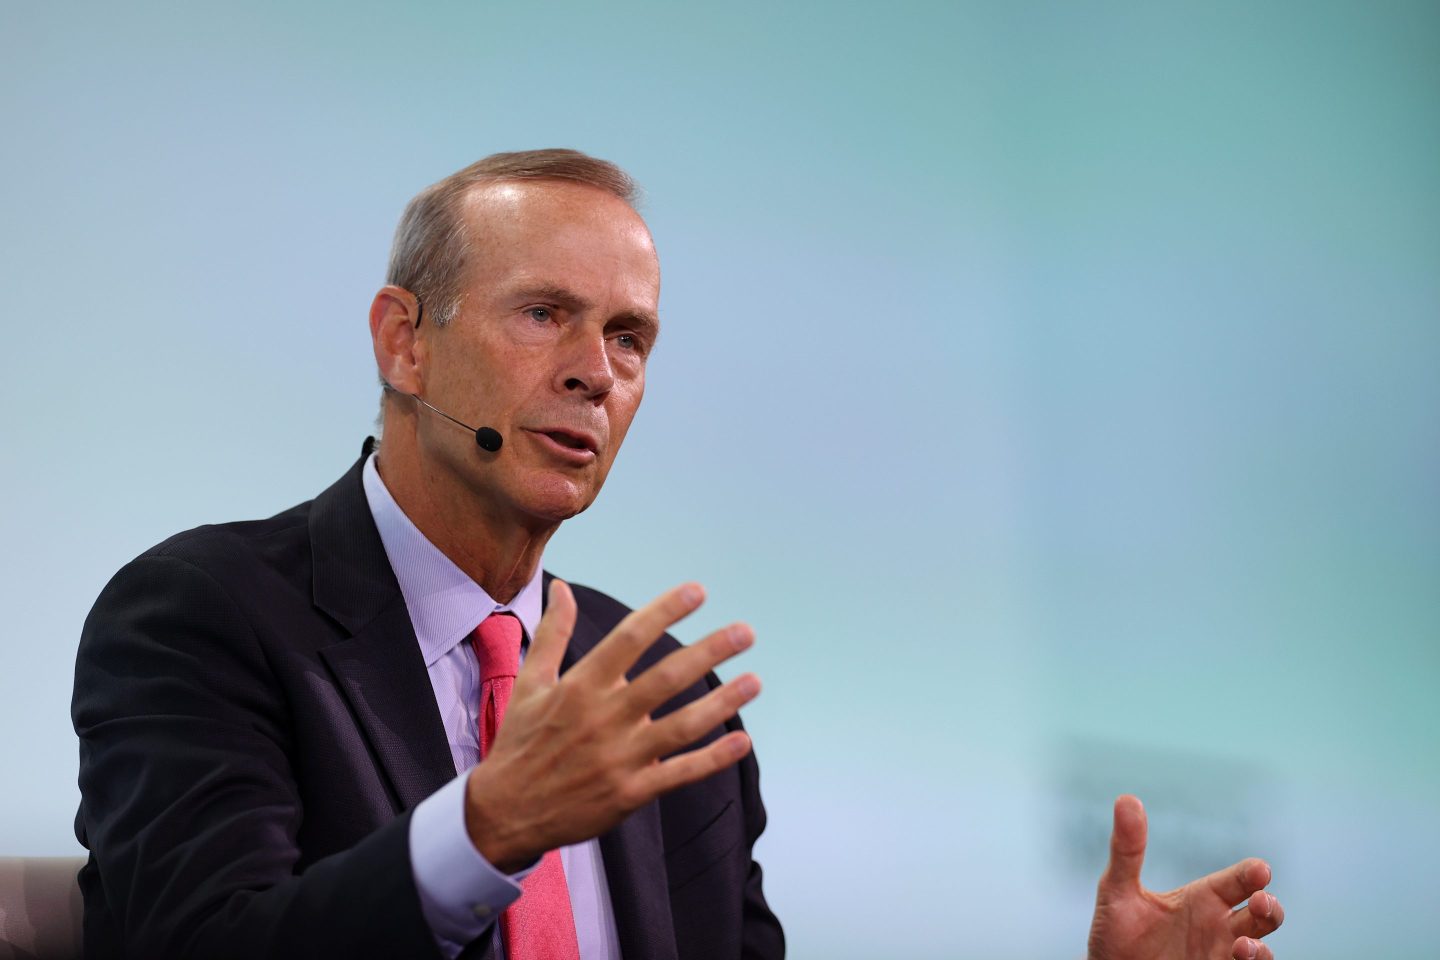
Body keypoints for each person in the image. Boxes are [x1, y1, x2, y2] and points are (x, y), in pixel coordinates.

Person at [72, 149, 1284, 960]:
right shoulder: (203, 615)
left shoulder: (661, 695)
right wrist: (488, 828)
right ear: (405, 342)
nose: (595, 371)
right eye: (545, 313)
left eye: (630, 338)